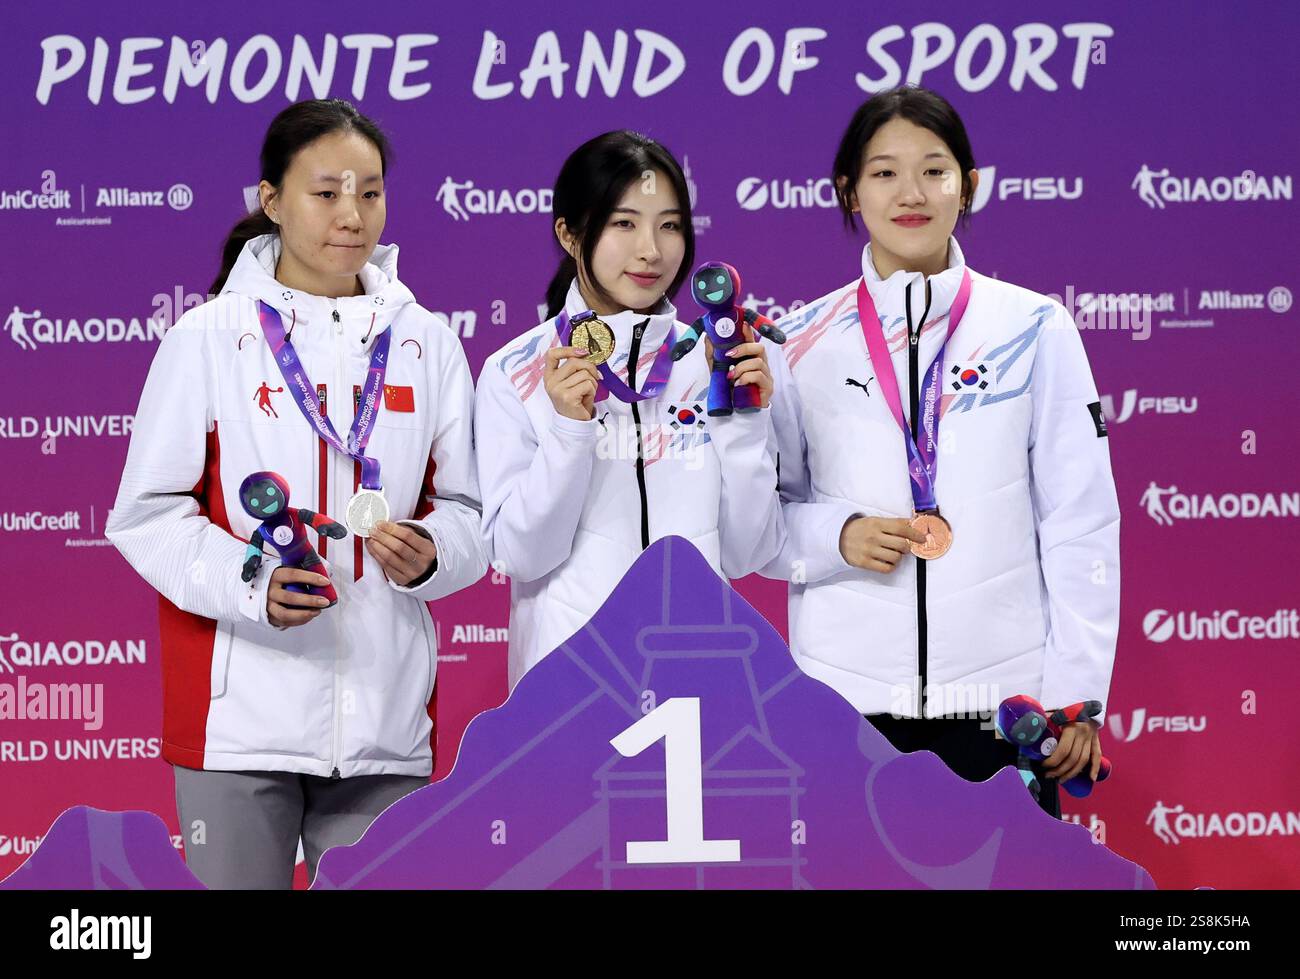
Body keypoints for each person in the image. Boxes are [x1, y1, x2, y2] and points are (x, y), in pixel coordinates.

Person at [105, 99, 488, 887]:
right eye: (327, 191)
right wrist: (252, 580)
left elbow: (470, 516)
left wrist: (432, 555)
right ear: (271, 201)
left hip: (385, 722)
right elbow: (146, 514)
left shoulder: (427, 341)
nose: (353, 214)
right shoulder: (207, 337)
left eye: (371, 191)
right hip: (238, 724)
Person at [761, 86, 1120, 817]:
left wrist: (1073, 693)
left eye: (935, 169)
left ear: (971, 184)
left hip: (1002, 710)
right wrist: (838, 534)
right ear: (848, 191)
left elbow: (1080, 519)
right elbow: (763, 527)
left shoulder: (1036, 327)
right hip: (844, 705)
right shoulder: (799, 340)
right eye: (885, 172)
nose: (912, 193)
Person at [475, 130, 785, 689]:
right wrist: (569, 431)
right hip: (569, 689)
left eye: (669, 225)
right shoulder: (514, 371)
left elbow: (748, 553)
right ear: (569, 234)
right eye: (624, 224)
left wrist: (743, 421)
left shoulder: (713, 360)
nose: (652, 250)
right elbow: (519, 556)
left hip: (703, 682)